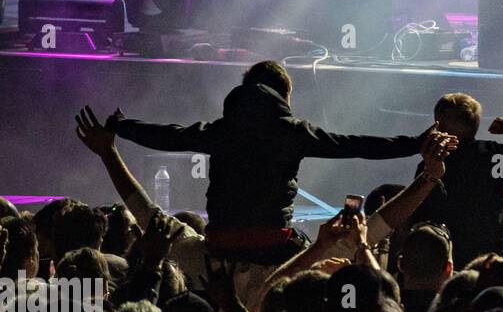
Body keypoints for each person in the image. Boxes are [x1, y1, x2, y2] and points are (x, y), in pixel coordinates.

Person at [96, 60, 442, 264]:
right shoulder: (291, 132)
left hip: (219, 244)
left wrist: (122, 128)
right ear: (284, 96)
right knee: (348, 247)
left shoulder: (222, 130)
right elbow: (354, 145)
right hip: (274, 245)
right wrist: (415, 144)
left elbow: (170, 136)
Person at [407, 93, 503, 266]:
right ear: (475, 124)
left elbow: (417, 216)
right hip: (492, 262)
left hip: (447, 262)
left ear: (438, 125)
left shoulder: (431, 164)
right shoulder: (493, 155)